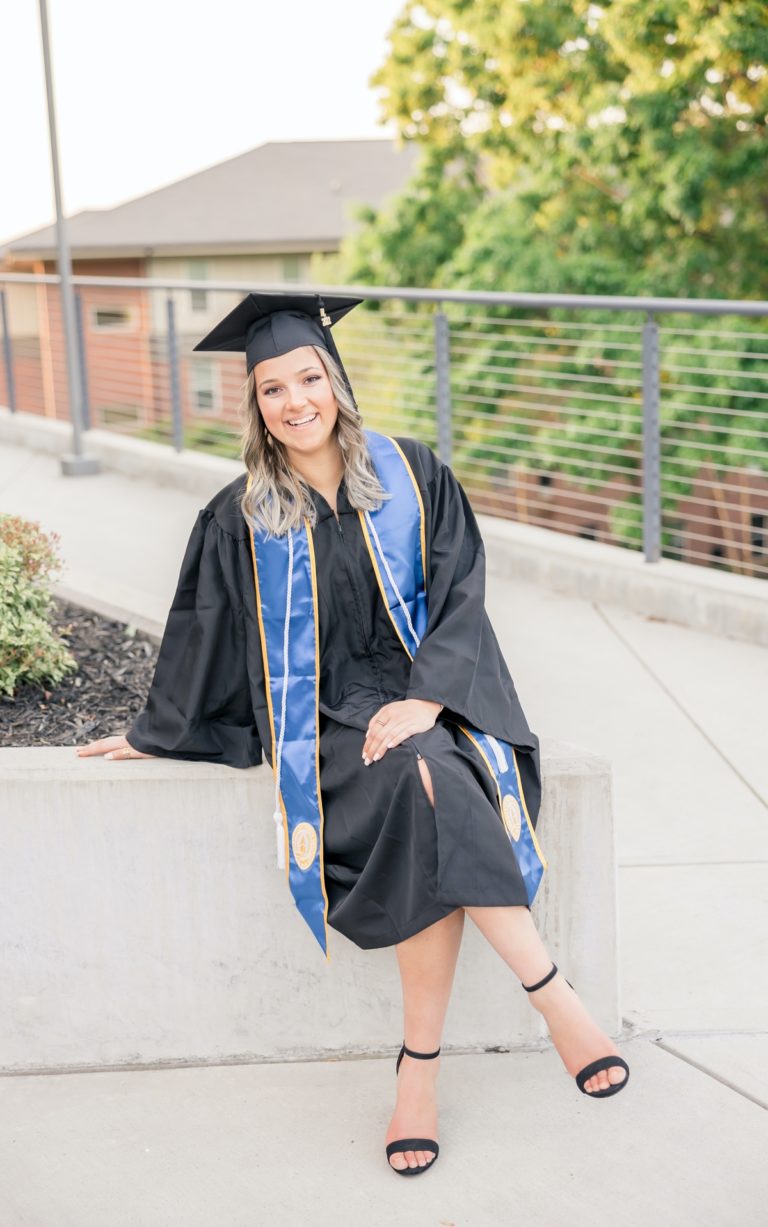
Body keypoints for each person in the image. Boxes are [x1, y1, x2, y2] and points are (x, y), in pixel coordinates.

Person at [75, 291, 629, 1177]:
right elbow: (205, 634)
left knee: (425, 770)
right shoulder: (240, 516)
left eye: (308, 379)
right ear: (255, 405)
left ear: (335, 379)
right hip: (326, 722)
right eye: (272, 389)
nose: (295, 402)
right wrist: (156, 731)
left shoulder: (412, 474)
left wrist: (429, 697)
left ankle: (421, 1067)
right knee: (421, 780)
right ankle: (553, 995)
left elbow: (462, 591)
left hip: (430, 696)